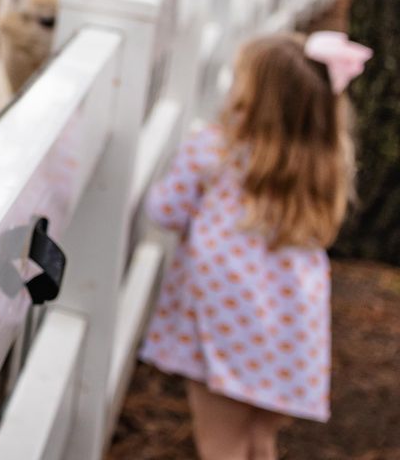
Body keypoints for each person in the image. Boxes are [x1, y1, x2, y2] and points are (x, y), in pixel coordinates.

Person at [138, 30, 372, 460]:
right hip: (291, 330)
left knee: (221, 446)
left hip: (224, 323)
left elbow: (165, 210)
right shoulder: (323, 163)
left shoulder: (215, 149)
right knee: (259, 441)